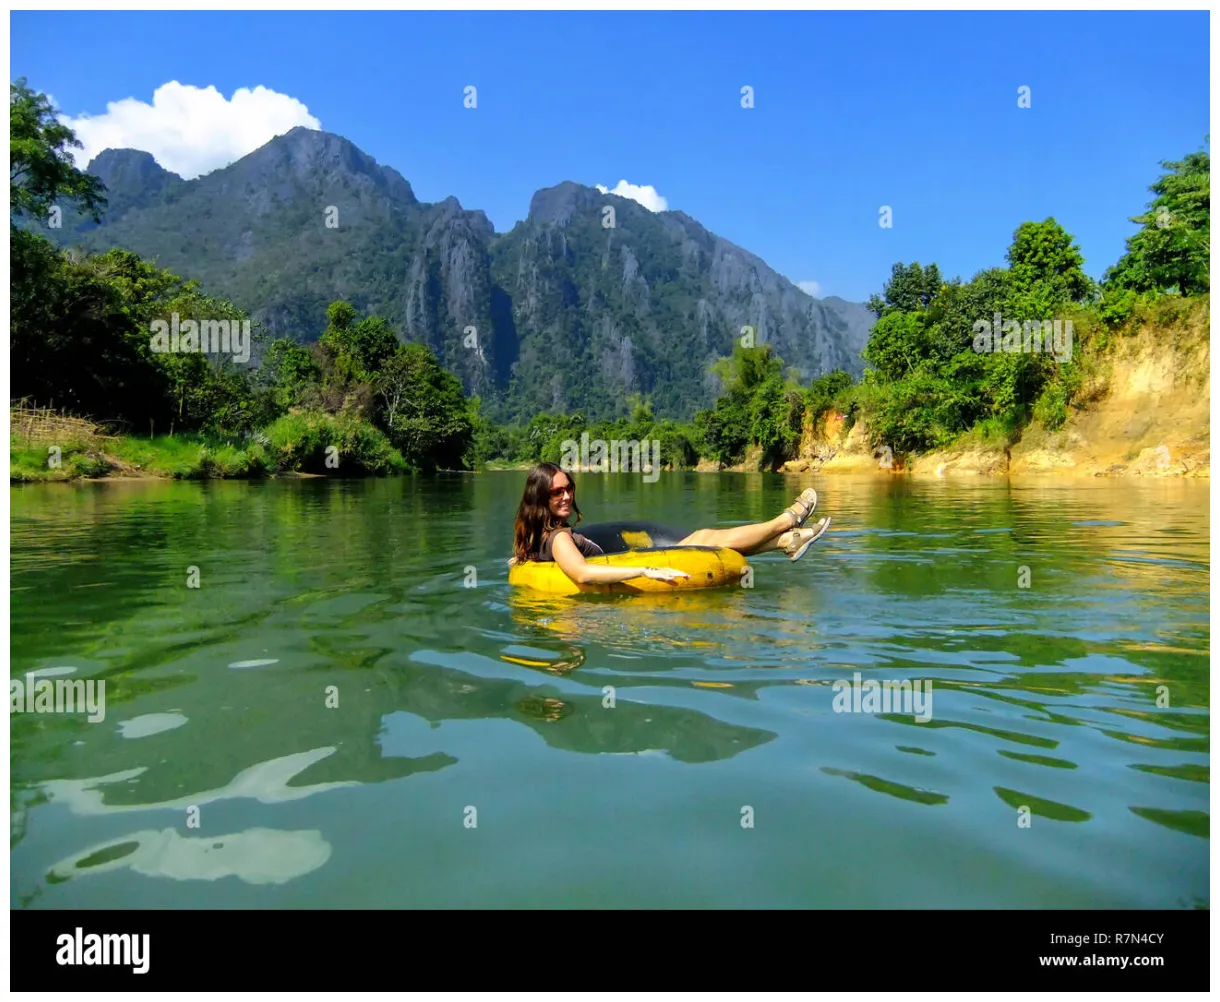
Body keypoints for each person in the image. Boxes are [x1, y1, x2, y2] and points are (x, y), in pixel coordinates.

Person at [509, 462, 831, 586]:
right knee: (705, 536)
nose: (566, 496)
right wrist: (644, 571)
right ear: (541, 497)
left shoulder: (535, 534)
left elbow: (521, 557)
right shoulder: (558, 539)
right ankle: (784, 522)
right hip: (635, 566)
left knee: (706, 537)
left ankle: (785, 541)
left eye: (569, 488)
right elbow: (582, 572)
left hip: (626, 556)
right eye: (557, 492)